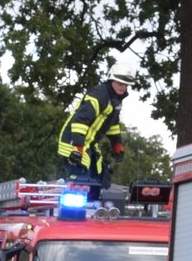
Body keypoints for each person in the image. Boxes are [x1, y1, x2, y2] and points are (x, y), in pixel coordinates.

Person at [56, 56, 140, 188]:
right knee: (81, 181)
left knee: (100, 176)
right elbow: (80, 121)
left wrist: (117, 145)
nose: (123, 87)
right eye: (120, 83)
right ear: (111, 80)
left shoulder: (115, 100)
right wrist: (77, 148)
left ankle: (96, 199)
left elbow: (113, 125)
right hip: (72, 143)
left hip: (88, 143)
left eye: (126, 84)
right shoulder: (99, 95)